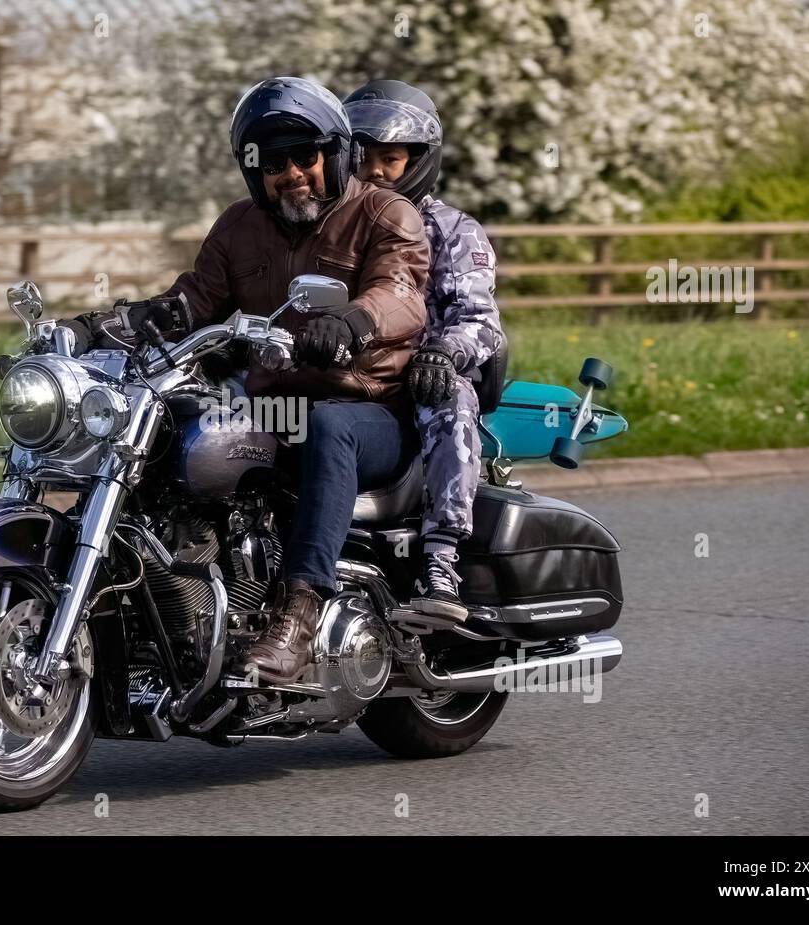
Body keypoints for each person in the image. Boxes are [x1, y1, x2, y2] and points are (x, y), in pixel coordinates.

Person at [64, 76, 430, 683]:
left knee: (328, 425)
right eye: (271, 162)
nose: (290, 173)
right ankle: (170, 606)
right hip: (274, 409)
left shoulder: (384, 213)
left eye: (303, 156)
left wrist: (354, 320)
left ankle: (300, 614)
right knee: (175, 433)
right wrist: (95, 328)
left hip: (372, 410)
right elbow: (191, 301)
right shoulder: (238, 227)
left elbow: (402, 294)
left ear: (334, 154)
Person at [344, 80, 506, 621]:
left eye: (389, 159)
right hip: (346, 376)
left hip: (420, 378)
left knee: (449, 396)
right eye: (363, 158)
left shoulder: (453, 230)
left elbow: (481, 325)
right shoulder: (332, 227)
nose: (375, 171)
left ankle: (441, 561)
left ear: (418, 159)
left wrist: (439, 354)